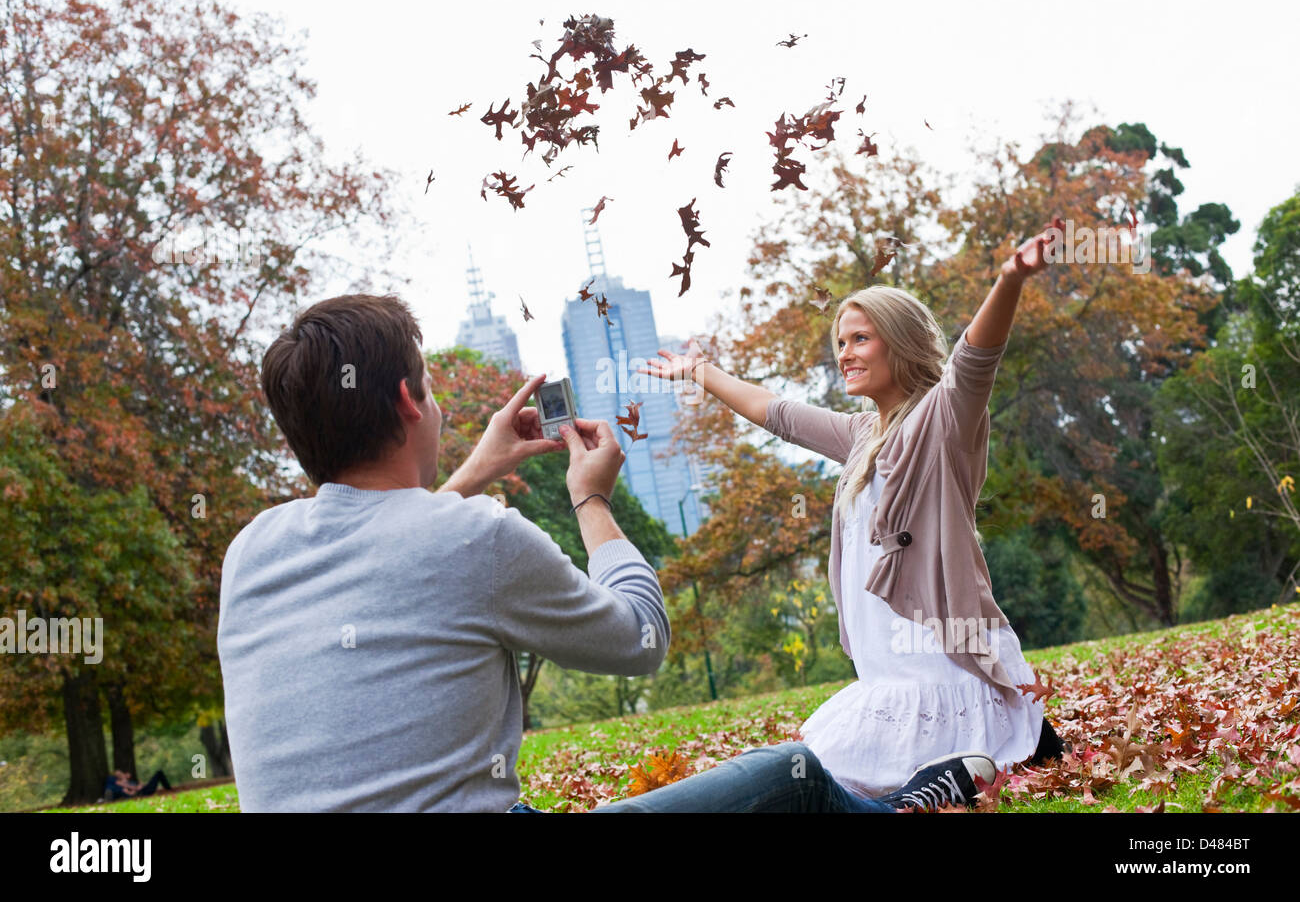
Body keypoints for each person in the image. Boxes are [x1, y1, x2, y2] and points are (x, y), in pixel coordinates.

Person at [219, 293, 996, 812]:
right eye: (429, 383)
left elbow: (384, 545)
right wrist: (591, 501)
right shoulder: (476, 537)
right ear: (408, 401)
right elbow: (640, 638)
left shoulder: (250, 554)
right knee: (781, 779)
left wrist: (478, 468)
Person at [643, 222, 1068, 800]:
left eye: (860, 339)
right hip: (886, 669)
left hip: (941, 668)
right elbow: (779, 413)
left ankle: (963, 771)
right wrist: (700, 372)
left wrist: (1010, 278)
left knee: (823, 787)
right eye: (840, 342)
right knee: (812, 780)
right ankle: (958, 776)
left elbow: (975, 358)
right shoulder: (863, 433)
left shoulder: (944, 419)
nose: (845, 354)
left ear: (900, 342)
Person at [103, 768, 172, 800]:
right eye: (118, 774)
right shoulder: (119, 783)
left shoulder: (129, 781)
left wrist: (139, 785)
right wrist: (136, 789)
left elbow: (140, 784)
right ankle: (169, 789)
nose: (120, 774)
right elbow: (129, 791)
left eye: (120, 773)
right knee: (159, 773)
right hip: (143, 792)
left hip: (144, 789)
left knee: (159, 772)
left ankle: (169, 788)